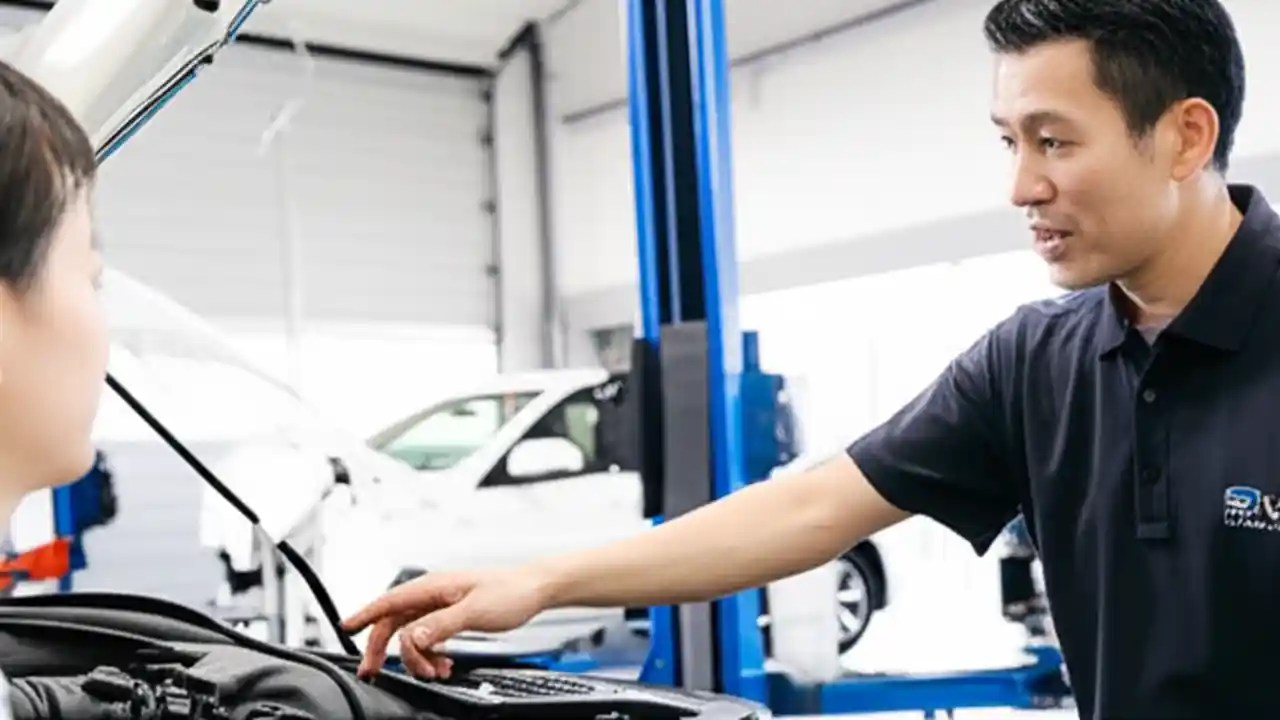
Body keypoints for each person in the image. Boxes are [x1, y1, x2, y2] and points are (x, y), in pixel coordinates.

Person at [344, 1, 1270, 716]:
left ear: (1186, 136)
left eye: (1055, 141)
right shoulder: (1038, 360)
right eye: (1010, 141)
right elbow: (817, 505)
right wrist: (537, 580)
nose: (1022, 185)